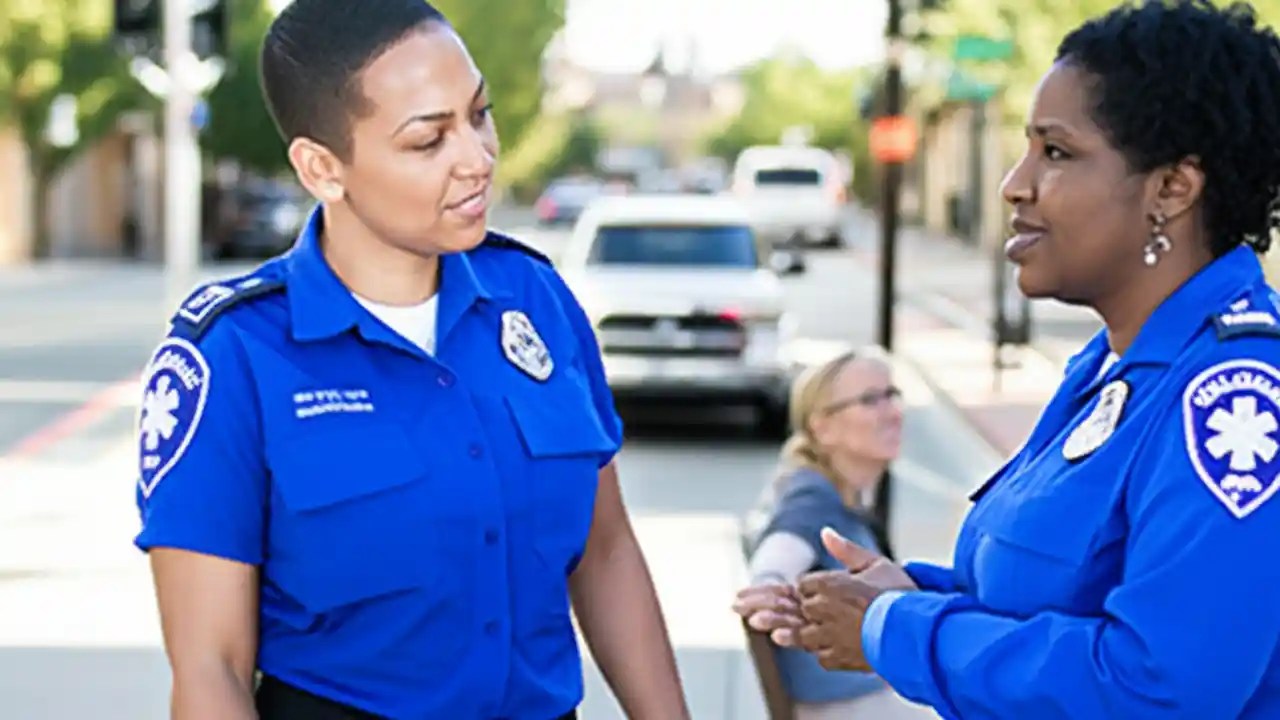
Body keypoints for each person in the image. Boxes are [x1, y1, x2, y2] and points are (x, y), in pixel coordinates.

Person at [131, 1, 689, 718]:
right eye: (429, 141)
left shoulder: (534, 299)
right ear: (323, 168)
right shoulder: (235, 353)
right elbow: (212, 667)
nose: (478, 157)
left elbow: (606, 552)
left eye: (479, 114)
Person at [737, 1, 1280, 718]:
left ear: (1172, 188)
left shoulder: (1234, 399)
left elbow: (1160, 690)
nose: (1014, 185)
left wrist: (894, 629)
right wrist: (905, 594)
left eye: (1056, 153)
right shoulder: (1110, 369)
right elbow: (1047, 599)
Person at [736, 349, 936, 718]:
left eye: (892, 394)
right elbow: (784, 542)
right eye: (870, 400)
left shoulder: (839, 491)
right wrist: (770, 580)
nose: (892, 412)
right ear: (821, 427)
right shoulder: (810, 493)